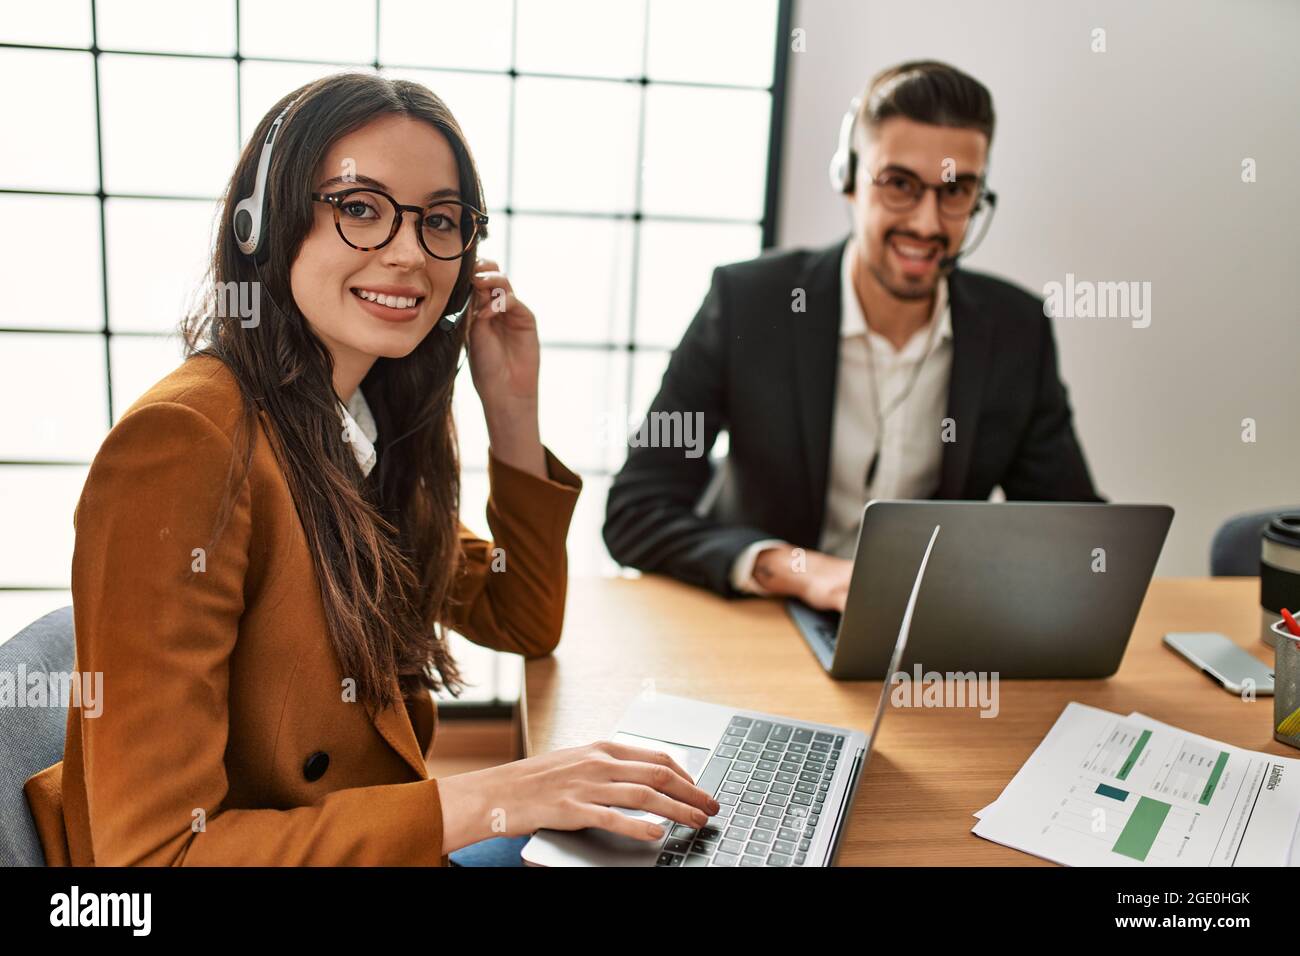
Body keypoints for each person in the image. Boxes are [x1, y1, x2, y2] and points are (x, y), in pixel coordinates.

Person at [24, 72, 715, 867]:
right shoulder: (184, 443)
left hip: (377, 848)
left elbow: (522, 619)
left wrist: (513, 409)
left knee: (669, 841)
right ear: (263, 224)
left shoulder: (354, 420)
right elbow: (155, 858)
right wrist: (501, 795)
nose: (409, 254)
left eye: (441, 222)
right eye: (359, 209)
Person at [604, 60, 1103, 613]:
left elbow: (1076, 539)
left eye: (956, 190)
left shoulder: (1016, 330)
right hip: (765, 624)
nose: (928, 224)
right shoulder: (748, 304)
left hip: (922, 640)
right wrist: (795, 570)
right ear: (847, 178)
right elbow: (635, 510)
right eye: (899, 185)